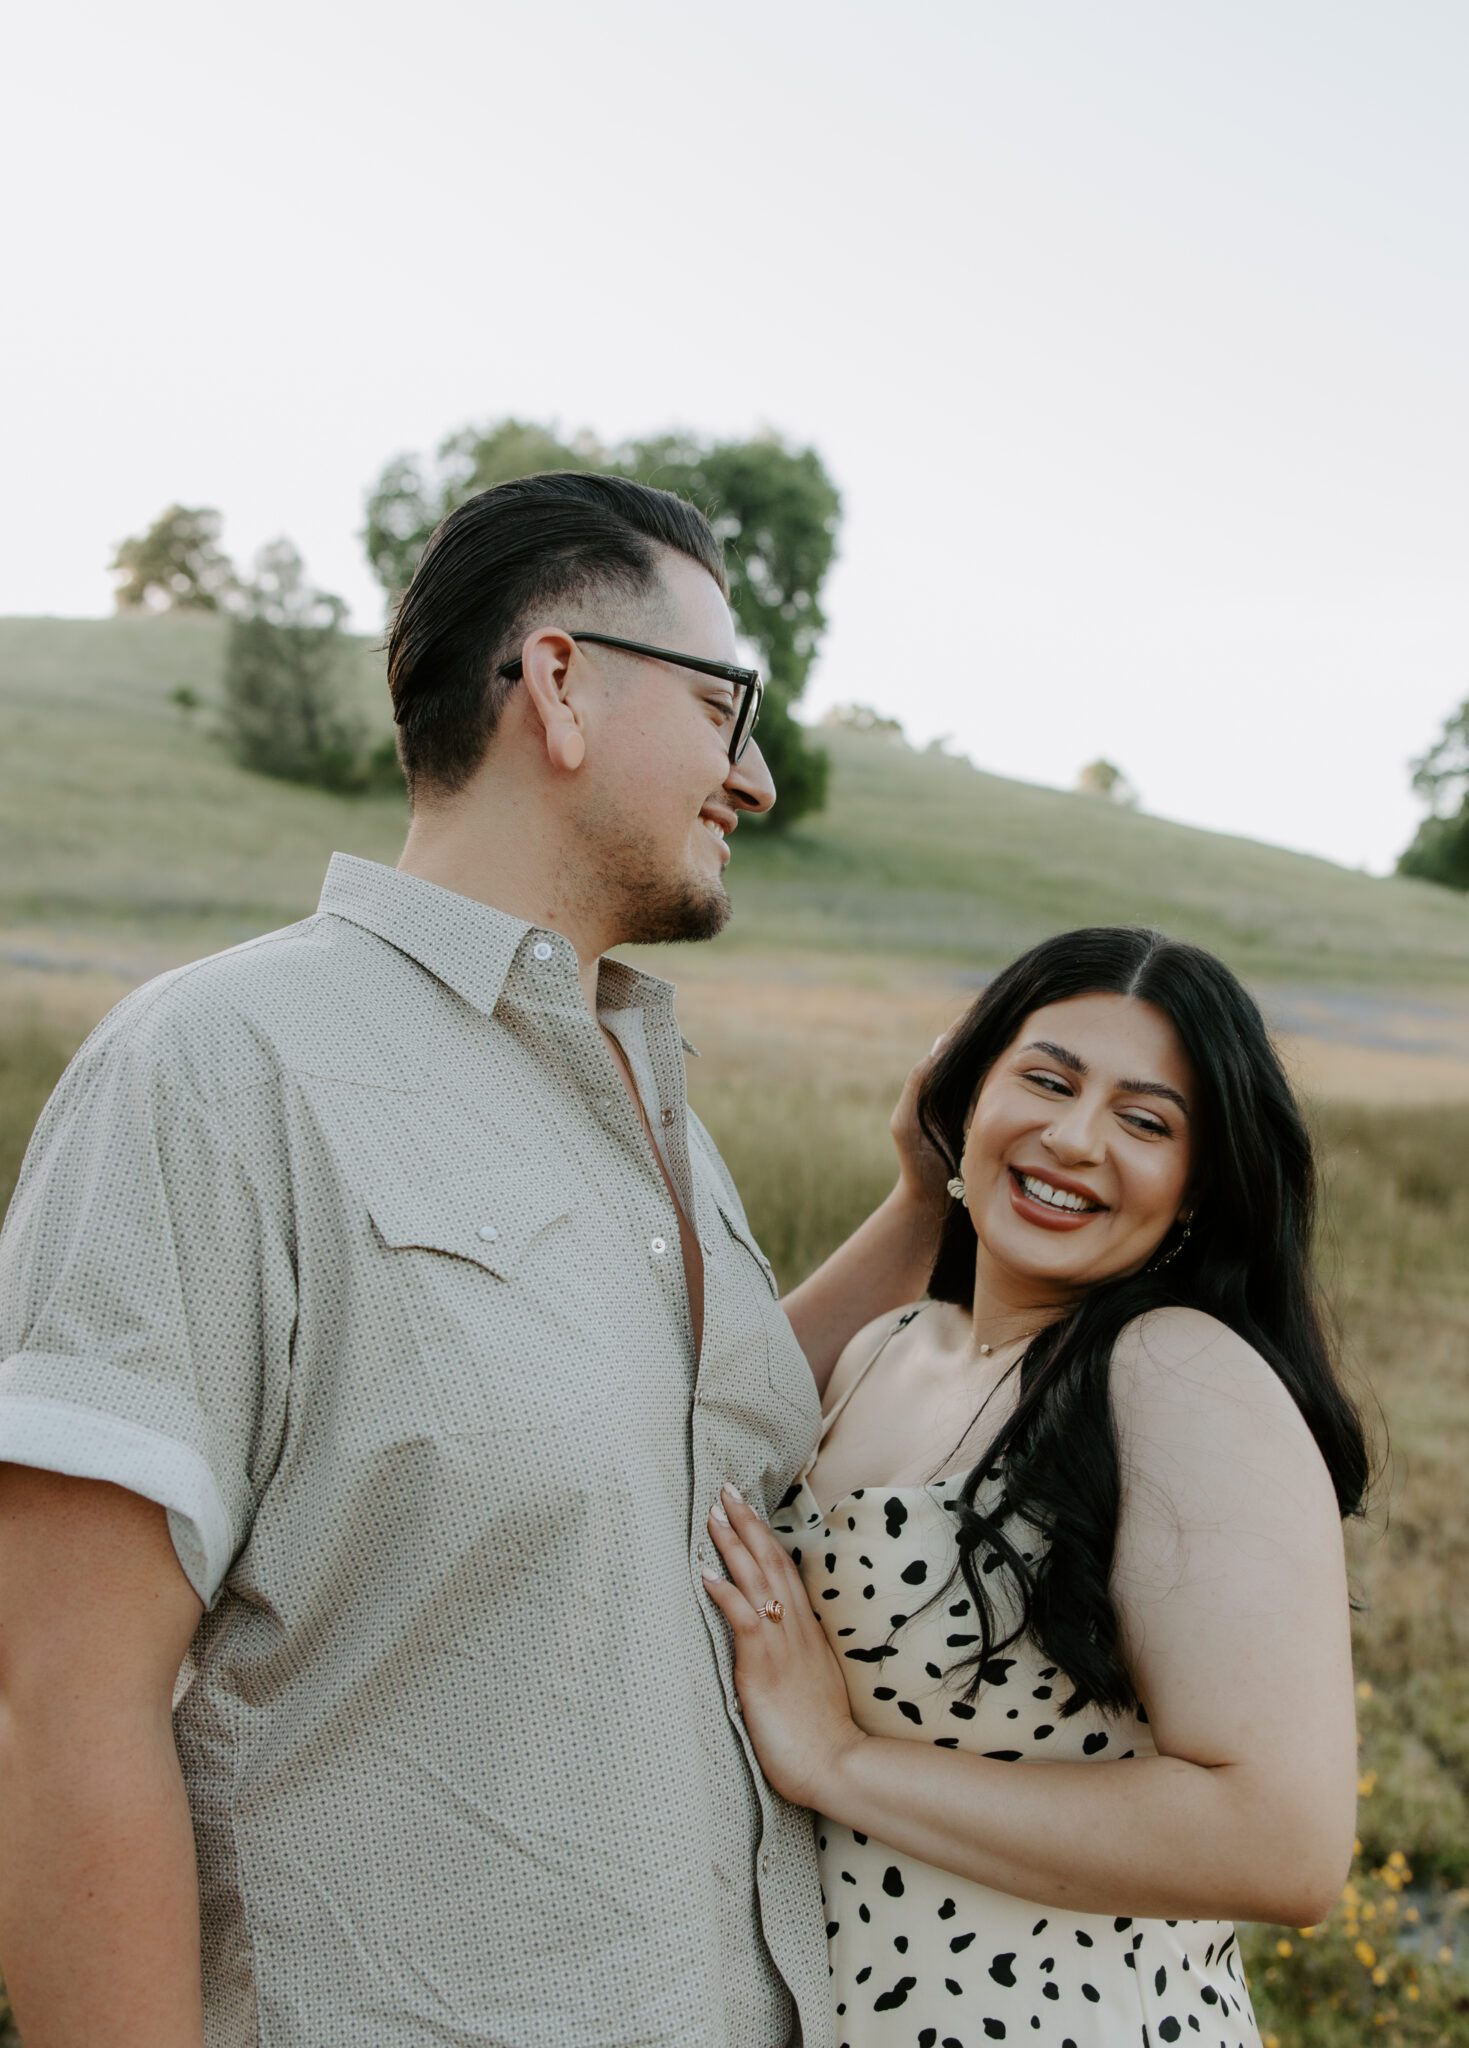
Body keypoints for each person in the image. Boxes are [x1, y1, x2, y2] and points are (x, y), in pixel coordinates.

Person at [0, 472, 949, 2048]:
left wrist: (924, 1206)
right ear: (559, 684)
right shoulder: (217, 1068)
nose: (756, 776)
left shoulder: (652, 1108)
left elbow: (659, 1437)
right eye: (723, 706)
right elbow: (62, 1710)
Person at [702, 926, 1371, 2048]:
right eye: (1047, 1081)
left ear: (1197, 1188)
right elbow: (690, 1441)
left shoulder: (1170, 1374)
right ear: (965, 1093)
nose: (1073, 1137)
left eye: (1145, 1121)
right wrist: (920, 1194)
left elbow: (1283, 1844)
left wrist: (841, 1763)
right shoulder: (887, 1347)